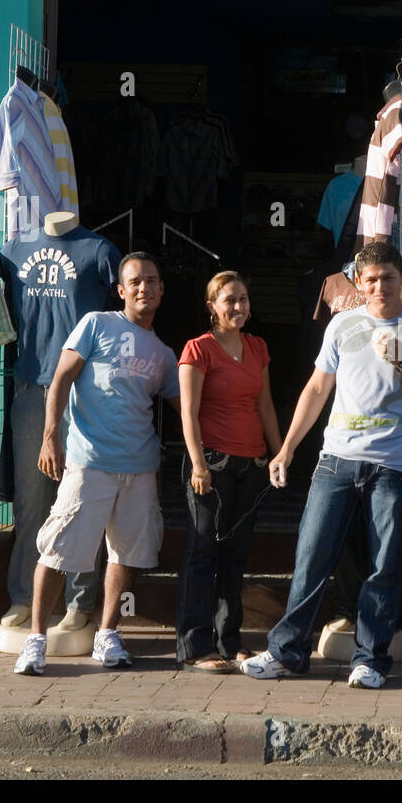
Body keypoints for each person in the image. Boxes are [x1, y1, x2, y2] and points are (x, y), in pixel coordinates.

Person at [242, 242, 402, 689]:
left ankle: (371, 661)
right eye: (371, 279)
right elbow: (317, 388)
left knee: (384, 566)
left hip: (393, 467)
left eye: (388, 278)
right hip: (335, 461)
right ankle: (287, 653)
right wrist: (286, 449)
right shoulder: (342, 324)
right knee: (311, 556)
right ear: (359, 282)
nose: (379, 287)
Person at [13, 252, 180, 675]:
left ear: (162, 290)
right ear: (121, 290)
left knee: (124, 554)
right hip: (88, 463)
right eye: (136, 281)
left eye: (153, 280)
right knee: (58, 550)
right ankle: (35, 641)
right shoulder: (96, 324)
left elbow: (184, 406)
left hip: (140, 467)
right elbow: (62, 378)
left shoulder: (163, 353)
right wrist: (51, 434)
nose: (145, 287)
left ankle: (107, 634)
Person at [175, 271, 282, 672]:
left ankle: (229, 640)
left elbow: (265, 406)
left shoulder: (257, 348)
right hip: (212, 465)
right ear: (212, 307)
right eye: (229, 300)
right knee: (203, 553)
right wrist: (198, 464)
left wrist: (279, 454)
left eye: (243, 299)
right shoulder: (198, 349)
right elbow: (187, 412)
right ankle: (194, 646)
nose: (238, 307)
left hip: (250, 466)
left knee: (235, 556)